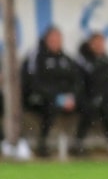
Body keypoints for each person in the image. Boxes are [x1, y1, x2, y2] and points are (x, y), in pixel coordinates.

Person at [21, 25, 84, 158]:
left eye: (59, 39)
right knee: (50, 106)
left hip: (66, 99)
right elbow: (33, 82)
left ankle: (79, 143)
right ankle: (43, 144)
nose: (56, 42)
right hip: (39, 98)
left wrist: (71, 96)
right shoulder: (36, 56)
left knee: (90, 105)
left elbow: (78, 80)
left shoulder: (66, 59)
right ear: (46, 39)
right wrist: (56, 97)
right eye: (53, 39)